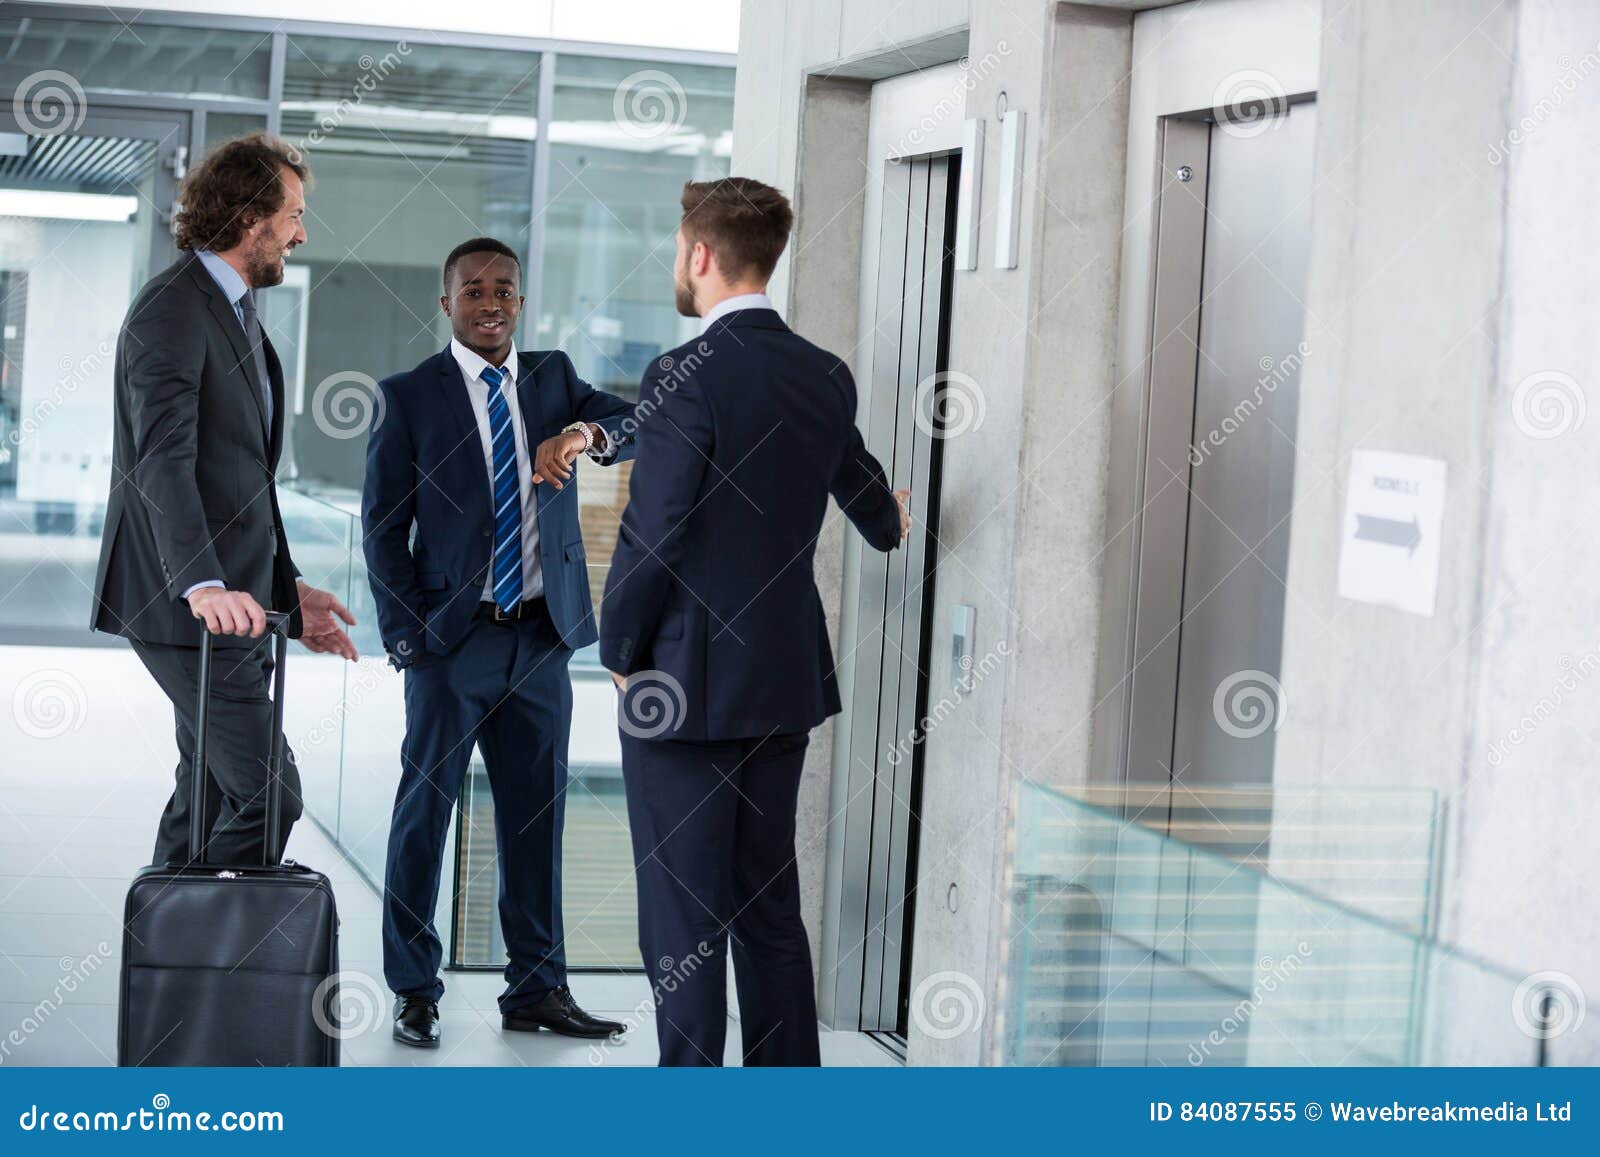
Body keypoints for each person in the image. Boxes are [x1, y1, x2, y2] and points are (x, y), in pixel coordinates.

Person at [600, 177, 911, 1066]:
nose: (675, 261)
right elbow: (862, 489)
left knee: (684, 914)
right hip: (782, 681)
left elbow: (652, 531)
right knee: (768, 905)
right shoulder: (822, 372)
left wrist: (619, 649)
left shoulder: (682, 375)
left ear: (700, 254)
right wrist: (892, 521)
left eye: (675, 248)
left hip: (680, 685)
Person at [362, 237, 633, 1049]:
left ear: (521, 302)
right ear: (446, 304)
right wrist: (411, 638)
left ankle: (536, 988)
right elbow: (383, 529)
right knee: (426, 817)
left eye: (504, 291)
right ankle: (415, 989)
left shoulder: (552, 379)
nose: (490, 304)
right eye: (473, 291)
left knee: (535, 819)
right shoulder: (409, 395)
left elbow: (638, 420)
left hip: (542, 640)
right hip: (454, 643)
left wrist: (583, 435)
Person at [91, 133, 358, 870]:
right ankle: (207, 950)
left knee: (206, 795)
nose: (302, 233)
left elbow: (241, 479)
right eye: (294, 214)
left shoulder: (233, 310)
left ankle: (174, 973)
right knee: (271, 794)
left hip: (233, 608)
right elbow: (162, 463)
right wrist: (203, 584)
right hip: (188, 611)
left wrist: (288, 590)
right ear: (249, 218)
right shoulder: (173, 311)